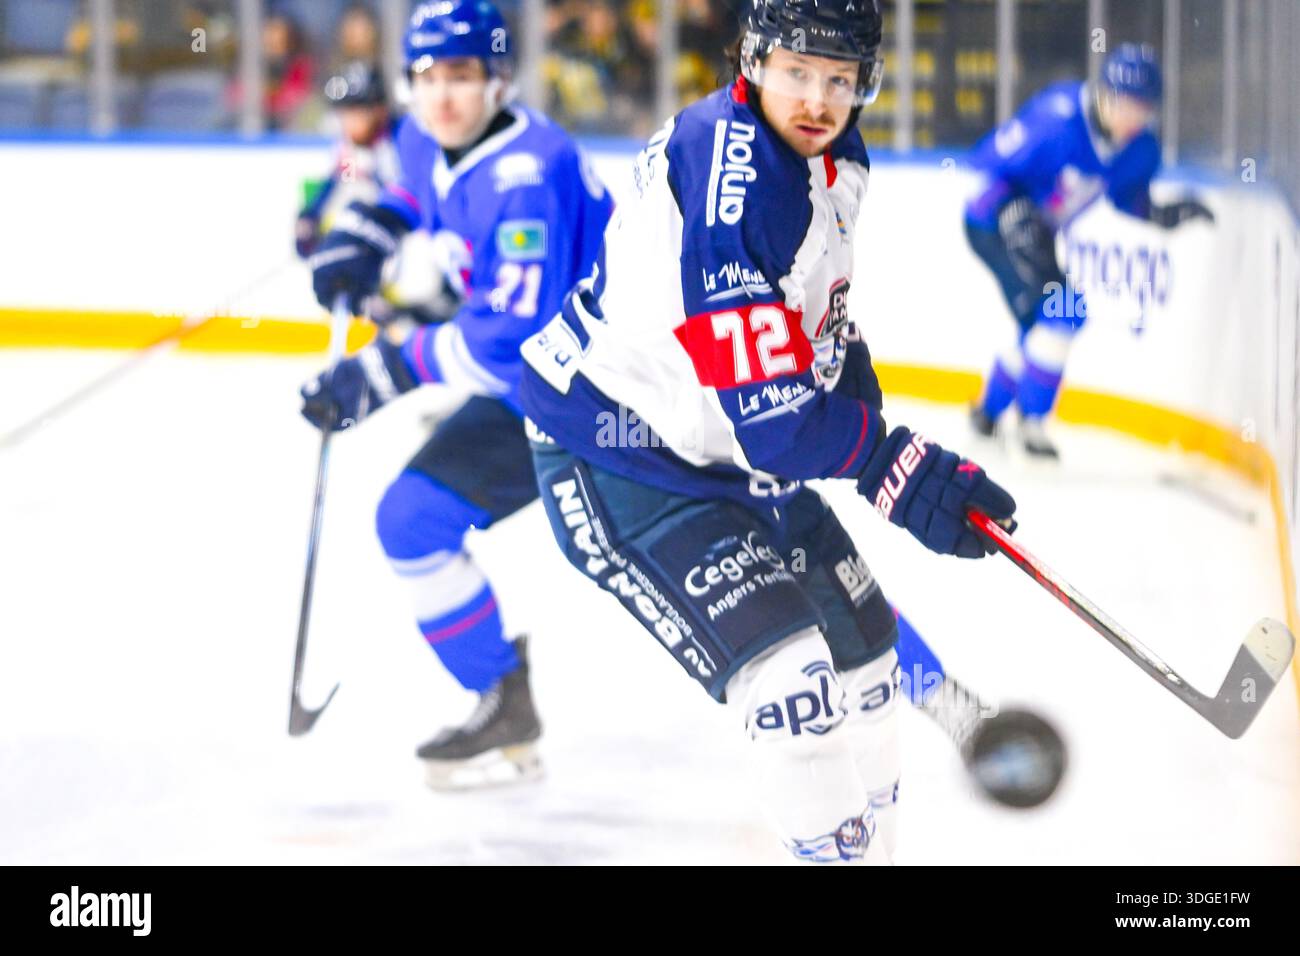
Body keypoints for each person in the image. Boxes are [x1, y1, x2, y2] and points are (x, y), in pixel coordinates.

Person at [519, 0, 1017, 863]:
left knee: (868, 668)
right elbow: (783, 433)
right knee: (794, 694)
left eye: (840, 78)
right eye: (798, 72)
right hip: (618, 452)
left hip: (722, 435)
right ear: (752, 63)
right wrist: (892, 466)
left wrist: (857, 401)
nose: (819, 99)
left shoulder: (834, 154)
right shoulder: (737, 178)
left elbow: (806, 319)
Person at [298, 0, 613, 789]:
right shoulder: (426, 133)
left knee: (742, 571)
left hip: (604, 398)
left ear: (499, 80)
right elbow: (417, 188)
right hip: (537, 387)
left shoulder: (526, 173)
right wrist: (368, 228)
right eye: (427, 76)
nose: (442, 95)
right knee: (412, 520)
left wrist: (379, 373)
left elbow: (503, 342)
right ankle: (502, 698)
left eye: (464, 76)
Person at [965, 43, 1214, 458]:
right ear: (1102, 93)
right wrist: (1013, 211)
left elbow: (1125, 197)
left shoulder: (1139, 149)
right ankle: (1031, 422)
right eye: (1123, 104)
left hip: (1035, 235)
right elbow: (988, 163)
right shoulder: (1057, 117)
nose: (1131, 119)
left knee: (1045, 322)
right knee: (1063, 312)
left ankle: (988, 411)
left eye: (1143, 110)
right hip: (989, 226)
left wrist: (1161, 214)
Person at [294, 61, 400, 261]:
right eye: (344, 112)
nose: (348, 121)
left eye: (356, 110)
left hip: (396, 242)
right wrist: (309, 216)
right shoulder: (349, 147)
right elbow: (341, 183)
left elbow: (401, 199)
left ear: (379, 110)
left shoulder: (395, 145)